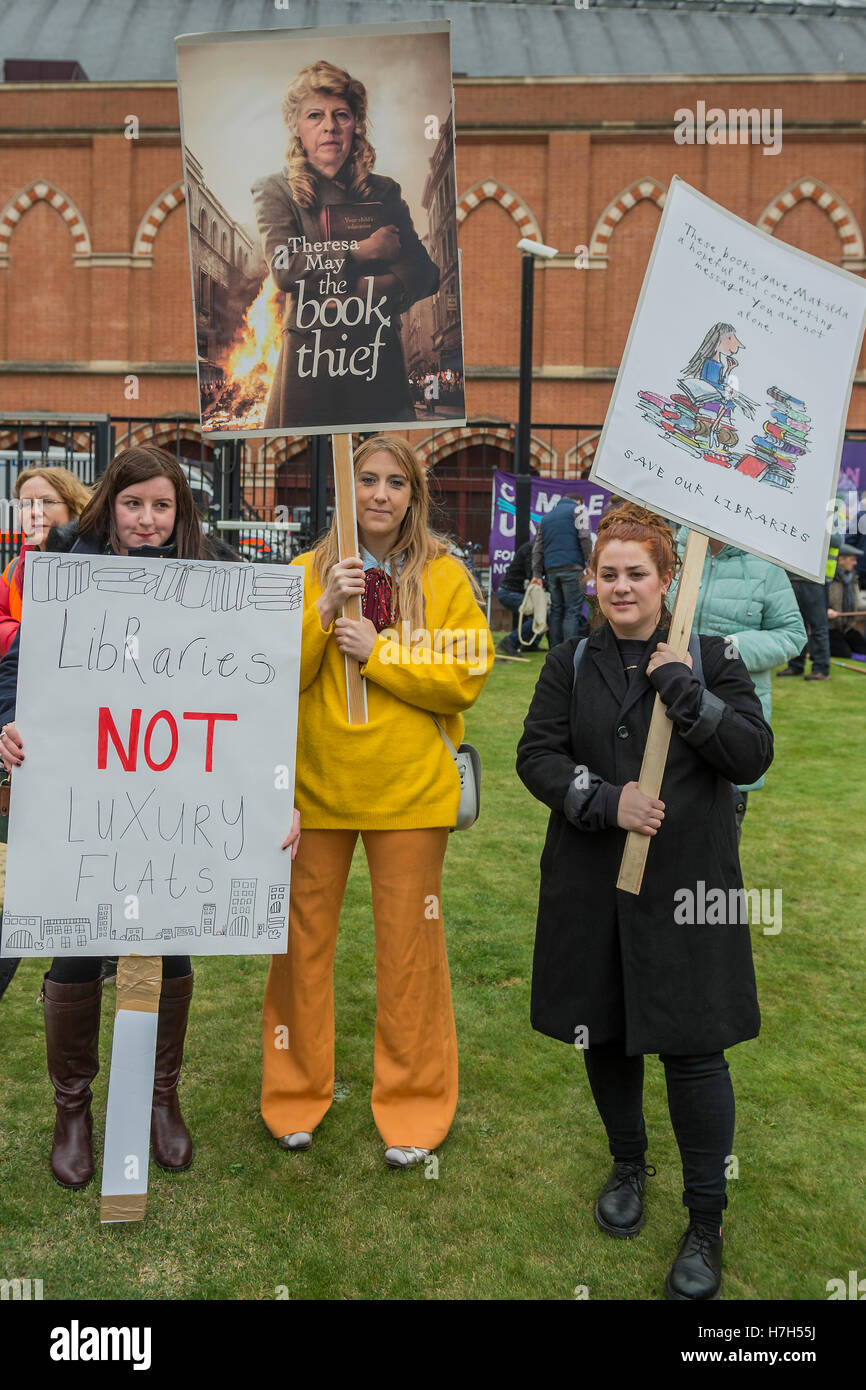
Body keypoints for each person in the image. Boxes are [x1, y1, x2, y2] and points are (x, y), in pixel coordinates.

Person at [0, 445, 301, 1188]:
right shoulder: (65, 566)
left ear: (181, 510)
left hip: (178, 799)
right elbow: (17, 667)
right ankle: (74, 1111)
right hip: (84, 788)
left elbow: (253, 699)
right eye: (133, 504)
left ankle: (162, 1099)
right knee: (76, 941)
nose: (146, 519)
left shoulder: (218, 577)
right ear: (111, 504)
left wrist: (271, 792)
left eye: (161, 505)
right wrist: (6, 722)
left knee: (171, 938)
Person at [516, 502, 773, 1300]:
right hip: (594, 882)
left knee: (694, 1052)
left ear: (668, 580)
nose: (621, 586)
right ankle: (628, 1162)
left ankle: (706, 1220)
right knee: (606, 1033)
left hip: (689, 886)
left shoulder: (711, 655)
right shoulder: (569, 659)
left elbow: (753, 752)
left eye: (638, 573)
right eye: (609, 573)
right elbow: (538, 757)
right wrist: (603, 799)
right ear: (591, 579)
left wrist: (686, 692)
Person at [261, 435, 493, 1169]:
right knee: (300, 949)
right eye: (368, 479)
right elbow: (270, 676)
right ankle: (295, 1094)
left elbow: (466, 672)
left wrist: (382, 652)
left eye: (397, 482)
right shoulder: (304, 573)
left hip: (411, 794)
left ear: (414, 496)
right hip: (316, 792)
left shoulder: (445, 576)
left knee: (410, 954)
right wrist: (324, 610)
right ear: (344, 487)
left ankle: (414, 1106)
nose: (382, 494)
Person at [251, 60, 440, 429]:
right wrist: (360, 253)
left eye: (341, 115)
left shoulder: (384, 191)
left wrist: (369, 287)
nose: (329, 127)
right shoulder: (274, 190)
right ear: (296, 125)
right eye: (315, 116)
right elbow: (286, 268)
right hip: (310, 365)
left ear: (356, 123)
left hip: (377, 360)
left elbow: (426, 272)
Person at [669, 529, 806, 839]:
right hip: (667, 709)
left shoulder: (765, 565)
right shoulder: (671, 552)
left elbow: (792, 634)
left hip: (731, 719)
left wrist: (728, 648)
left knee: (719, 845)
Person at [0, 466, 92, 658]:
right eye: (26, 504)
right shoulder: (14, 568)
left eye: (48, 502)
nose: (35, 512)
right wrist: (23, 641)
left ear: (72, 507)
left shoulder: (95, 561)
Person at [532, 495, 593, 647]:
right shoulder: (578, 509)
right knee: (572, 611)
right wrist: (590, 561)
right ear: (578, 501)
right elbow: (585, 537)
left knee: (556, 610)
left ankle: (555, 651)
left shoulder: (545, 518)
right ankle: (569, 651)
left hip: (552, 570)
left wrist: (537, 574)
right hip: (573, 568)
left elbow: (537, 548)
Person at [777, 570, 832, 681]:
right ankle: (795, 666)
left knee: (818, 627)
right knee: (795, 625)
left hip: (815, 580)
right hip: (794, 579)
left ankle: (821, 669)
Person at [496, 539, 544, 655]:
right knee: (541, 614)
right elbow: (532, 576)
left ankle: (531, 644)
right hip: (509, 592)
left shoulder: (534, 548)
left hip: (511, 591)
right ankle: (510, 641)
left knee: (543, 613)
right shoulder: (532, 550)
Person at [827, 542, 866, 659]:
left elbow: (858, 604)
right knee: (844, 654)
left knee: (863, 649)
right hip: (830, 629)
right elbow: (813, 604)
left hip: (847, 628)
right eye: (852, 559)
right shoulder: (827, 579)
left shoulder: (852, 578)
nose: (855, 563)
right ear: (840, 560)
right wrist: (826, 610)